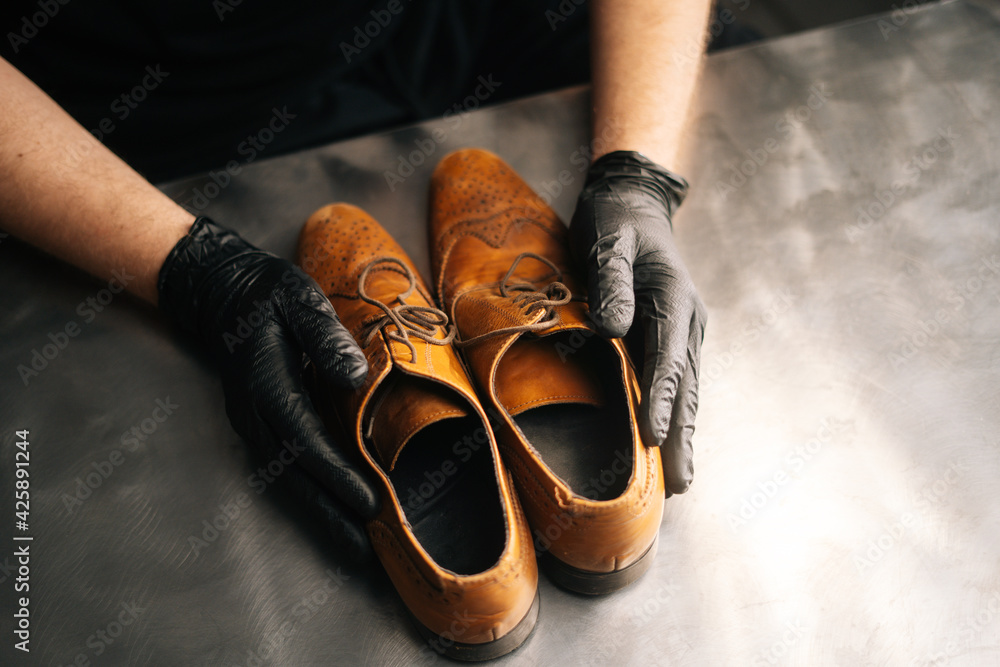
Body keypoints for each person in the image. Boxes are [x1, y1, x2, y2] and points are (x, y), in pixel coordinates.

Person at [0, 0, 711, 562]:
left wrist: (638, 168)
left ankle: (476, 587)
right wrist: (187, 265)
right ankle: (596, 526)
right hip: (150, 122)